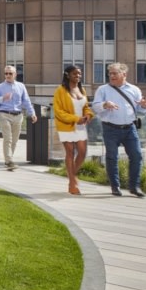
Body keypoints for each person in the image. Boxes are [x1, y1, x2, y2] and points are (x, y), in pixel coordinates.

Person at [92, 62, 146, 198]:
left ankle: (134, 187)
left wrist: (144, 106)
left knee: (136, 156)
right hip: (110, 128)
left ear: (124, 74)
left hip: (130, 128)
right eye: (110, 73)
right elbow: (95, 107)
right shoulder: (103, 90)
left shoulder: (134, 90)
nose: (111, 76)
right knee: (112, 157)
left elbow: (140, 111)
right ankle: (115, 186)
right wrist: (104, 104)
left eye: (114, 73)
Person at [52, 65, 93, 195]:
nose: (78, 76)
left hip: (81, 126)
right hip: (66, 126)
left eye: (79, 74)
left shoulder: (82, 89)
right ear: (67, 75)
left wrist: (88, 115)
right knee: (70, 153)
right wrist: (75, 118)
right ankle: (72, 183)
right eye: (75, 73)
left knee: (82, 152)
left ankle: (71, 176)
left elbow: (86, 106)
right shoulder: (60, 90)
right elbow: (58, 112)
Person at [0, 65, 38, 170]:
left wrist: (32, 113)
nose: (8, 75)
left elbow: (26, 100)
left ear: (15, 74)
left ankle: (9, 160)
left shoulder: (21, 86)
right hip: (4, 114)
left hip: (18, 115)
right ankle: (9, 161)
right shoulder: (0, 87)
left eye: (10, 73)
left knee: (15, 140)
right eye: (6, 73)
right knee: (8, 138)